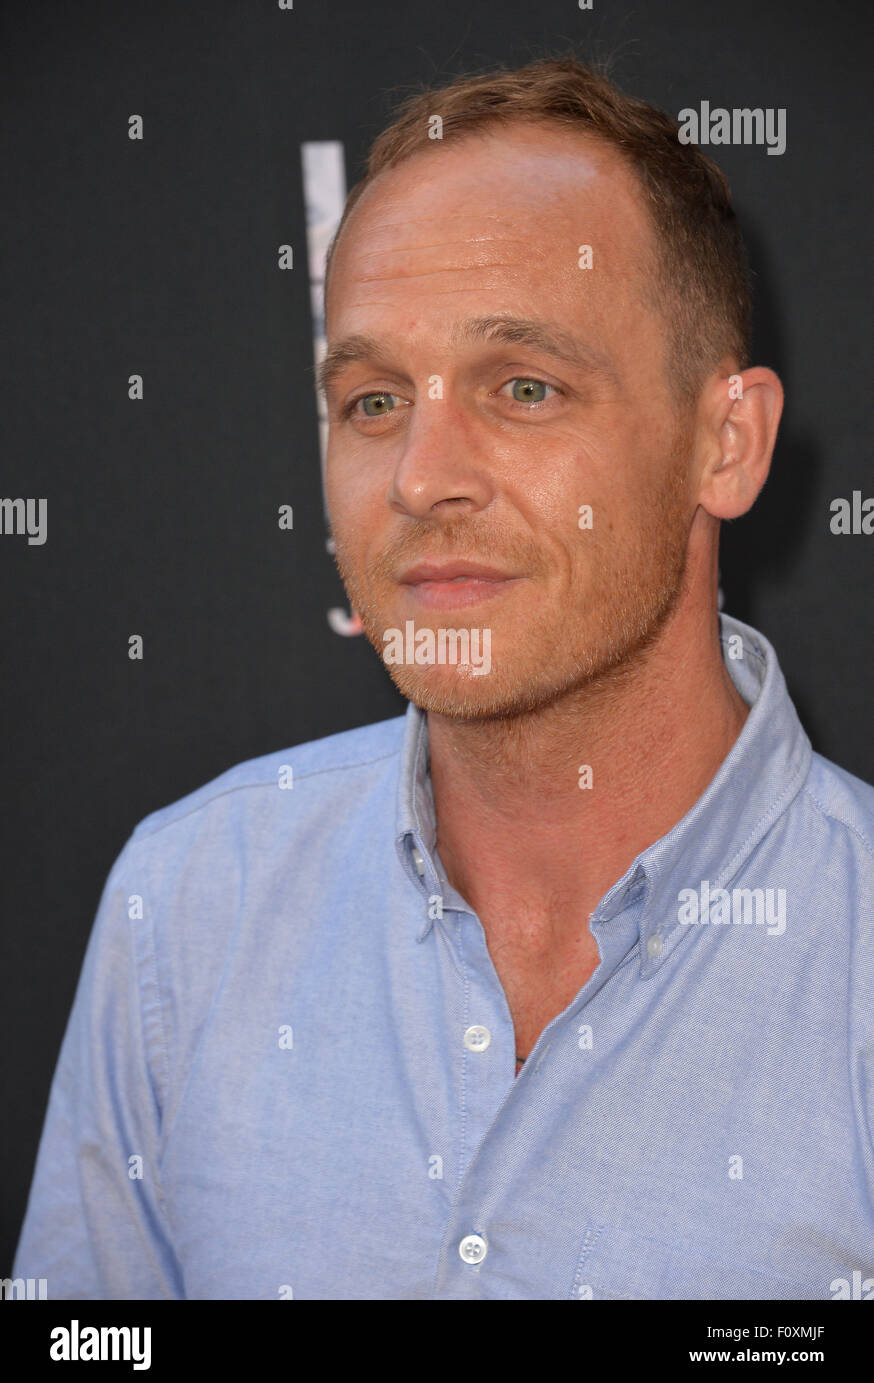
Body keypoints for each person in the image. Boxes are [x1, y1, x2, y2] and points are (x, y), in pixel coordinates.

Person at [13, 56, 874, 1301]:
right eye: (371, 400)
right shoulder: (188, 908)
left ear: (722, 441)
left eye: (522, 387)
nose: (421, 475)